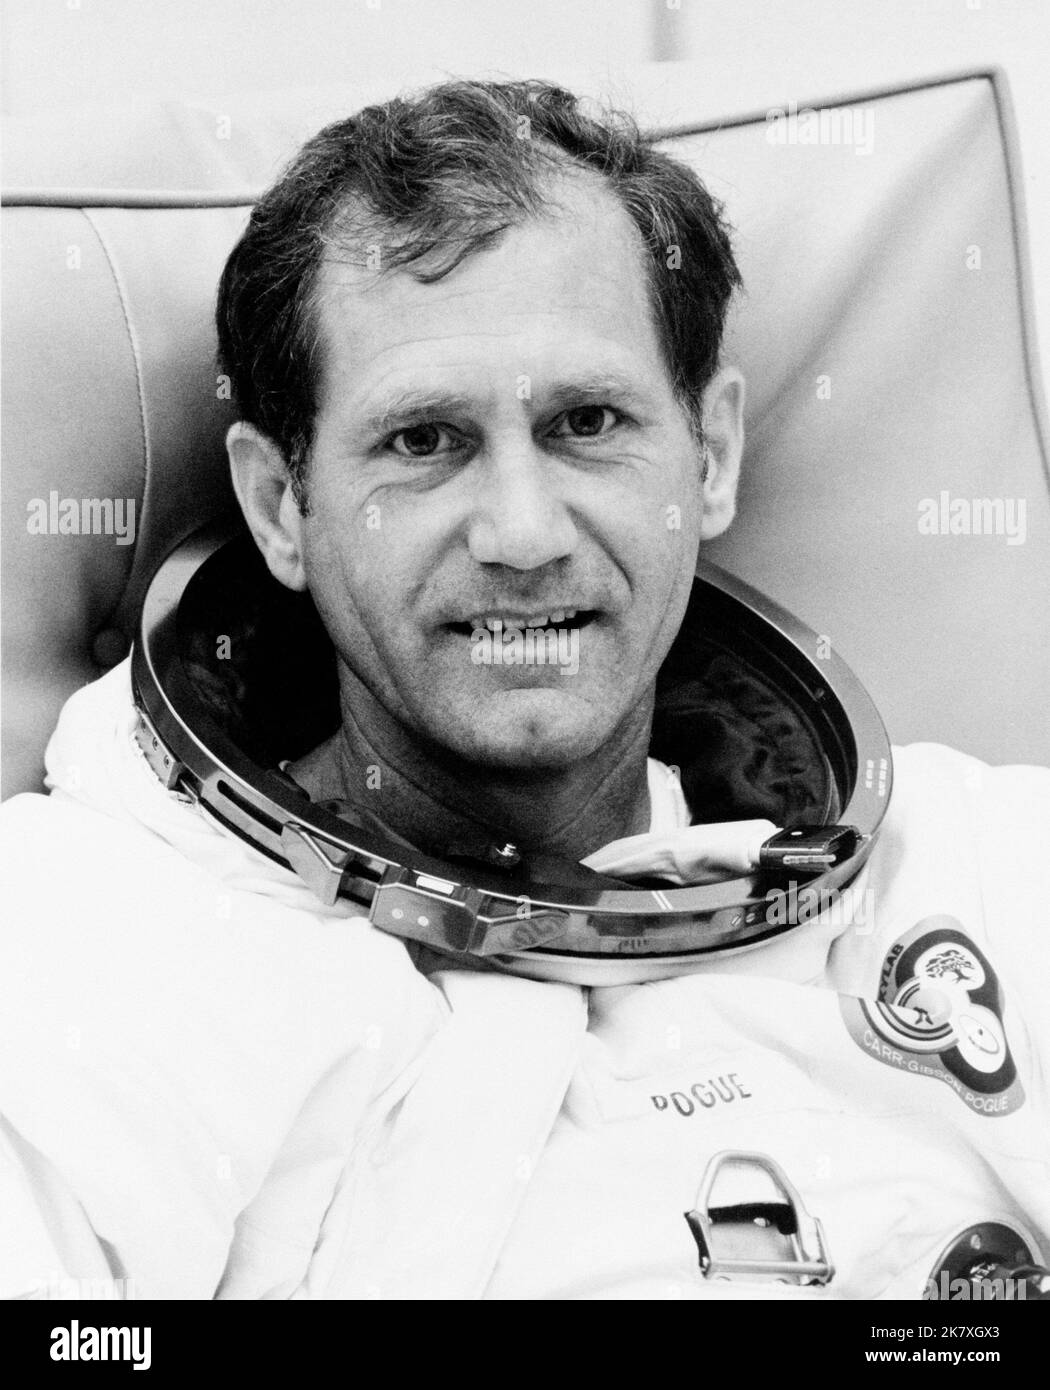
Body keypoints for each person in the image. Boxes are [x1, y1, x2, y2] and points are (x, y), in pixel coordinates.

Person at [1, 80, 1047, 1302]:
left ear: (708, 459)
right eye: (423, 441)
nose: (519, 531)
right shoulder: (85, 949)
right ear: (282, 506)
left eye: (587, 421)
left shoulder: (991, 864)